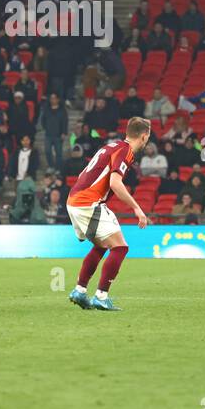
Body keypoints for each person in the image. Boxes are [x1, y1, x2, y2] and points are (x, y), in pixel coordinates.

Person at [66, 117, 152, 312]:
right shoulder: (126, 151)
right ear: (144, 136)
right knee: (120, 247)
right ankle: (101, 296)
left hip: (75, 200)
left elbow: (85, 173)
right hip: (88, 202)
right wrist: (137, 208)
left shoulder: (111, 146)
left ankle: (80, 290)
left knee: (101, 245)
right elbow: (115, 183)